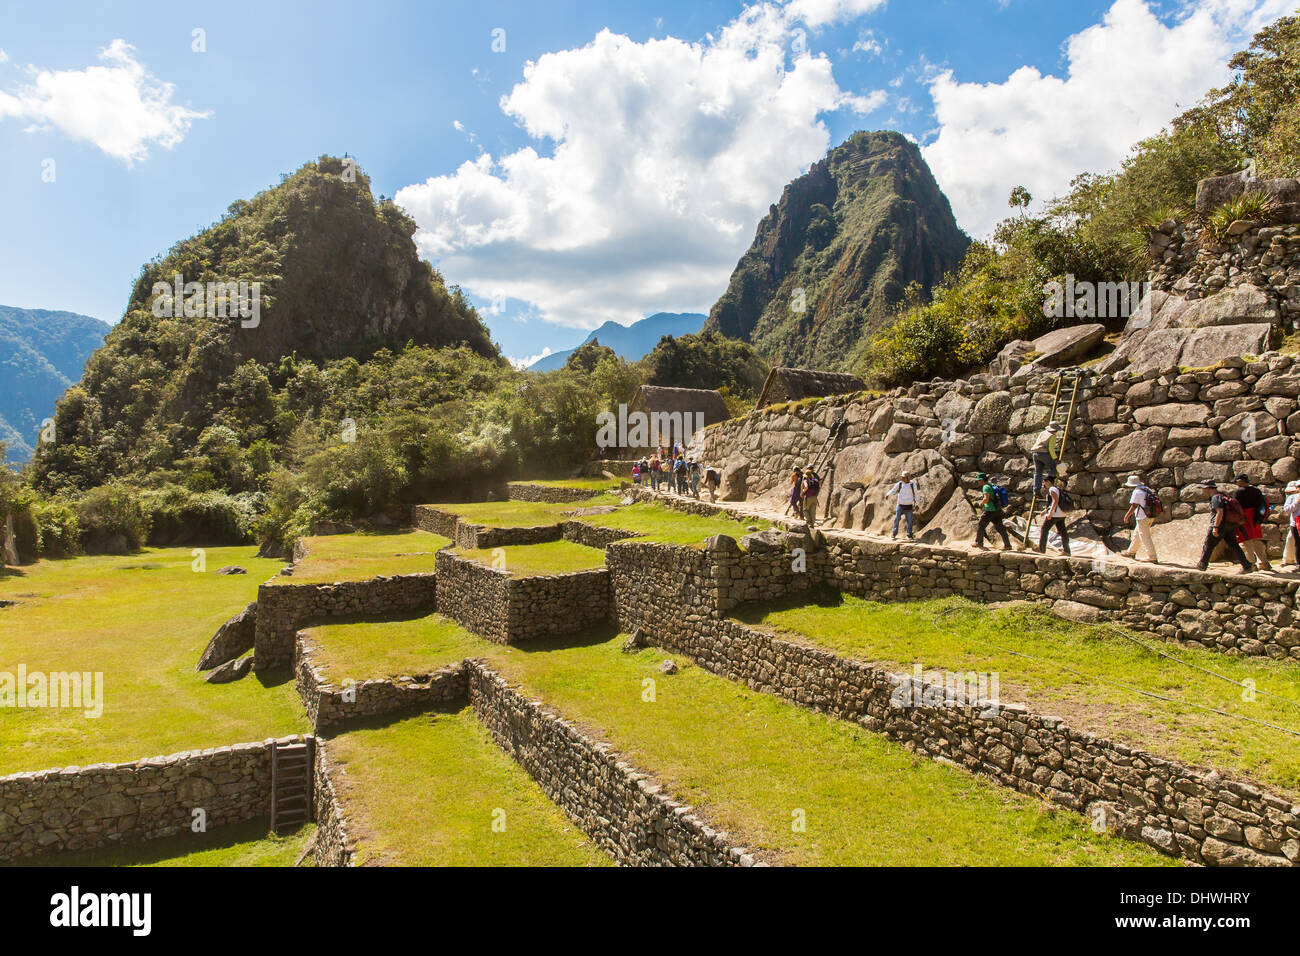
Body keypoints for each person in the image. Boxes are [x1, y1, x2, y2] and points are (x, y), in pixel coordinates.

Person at [1196, 481, 1252, 573]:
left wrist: (1215, 527)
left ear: (1208, 488)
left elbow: (1220, 512)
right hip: (1229, 526)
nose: (1203, 491)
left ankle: (1202, 565)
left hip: (1220, 525)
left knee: (1208, 545)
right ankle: (1246, 566)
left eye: (1203, 489)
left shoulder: (1215, 498)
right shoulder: (1222, 495)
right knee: (1234, 545)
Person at [1233, 474, 1272, 572]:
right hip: (1255, 518)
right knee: (1256, 540)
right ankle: (1264, 563)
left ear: (1241, 481)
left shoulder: (1239, 492)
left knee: (1246, 542)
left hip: (1244, 518)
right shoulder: (1257, 491)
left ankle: (1250, 564)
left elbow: (1235, 505)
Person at [1121, 475, 1159, 563]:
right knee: (1137, 534)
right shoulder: (1147, 489)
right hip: (1151, 515)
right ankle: (1131, 552)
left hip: (1142, 517)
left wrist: (1127, 516)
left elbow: (1134, 505)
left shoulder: (1137, 492)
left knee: (1145, 537)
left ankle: (1152, 556)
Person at [973, 472, 1011, 551]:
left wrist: (981, 503)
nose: (978, 482)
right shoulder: (991, 485)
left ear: (982, 480)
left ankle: (978, 542)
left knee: (981, 525)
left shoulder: (985, 487)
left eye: (979, 480)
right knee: (1000, 528)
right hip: (997, 510)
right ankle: (1008, 545)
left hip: (989, 510)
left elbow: (986, 498)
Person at [1036, 474, 1071, 555]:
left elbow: (1055, 501)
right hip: (1061, 514)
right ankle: (1067, 551)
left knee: (1044, 529)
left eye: (1044, 482)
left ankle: (1041, 548)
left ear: (1048, 482)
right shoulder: (1057, 489)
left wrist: (1050, 513)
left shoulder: (1052, 489)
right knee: (1063, 532)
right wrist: (1045, 511)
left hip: (1054, 514)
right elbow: (1053, 502)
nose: (1043, 484)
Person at [885, 470, 919, 540]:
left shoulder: (912, 484)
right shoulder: (900, 484)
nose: (902, 478)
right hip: (900, 505)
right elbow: (893, 490)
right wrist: (888, 494)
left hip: (909, 506)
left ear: (907, 478)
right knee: (897, 519)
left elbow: (916, 494)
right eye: (902, 477)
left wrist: (917, 504)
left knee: (909, 521)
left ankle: (909, 535)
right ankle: (894, 534)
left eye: (903, 477)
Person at [1031, 422, 1061, 497]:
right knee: (1053, 468)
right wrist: (1055, 458)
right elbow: (1051, 449)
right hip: (1044, 453)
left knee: (1038, 471)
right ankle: (1047, 483)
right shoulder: (1052, 436)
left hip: (1035, 453)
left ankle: (1036, 490)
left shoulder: (1043, 432)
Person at [1282, 480, 1300, 569]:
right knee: (1297, 542)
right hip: (1295, 523)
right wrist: (1297, 502)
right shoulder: (1292, 498)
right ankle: (1298, 563)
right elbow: (1287, 510)